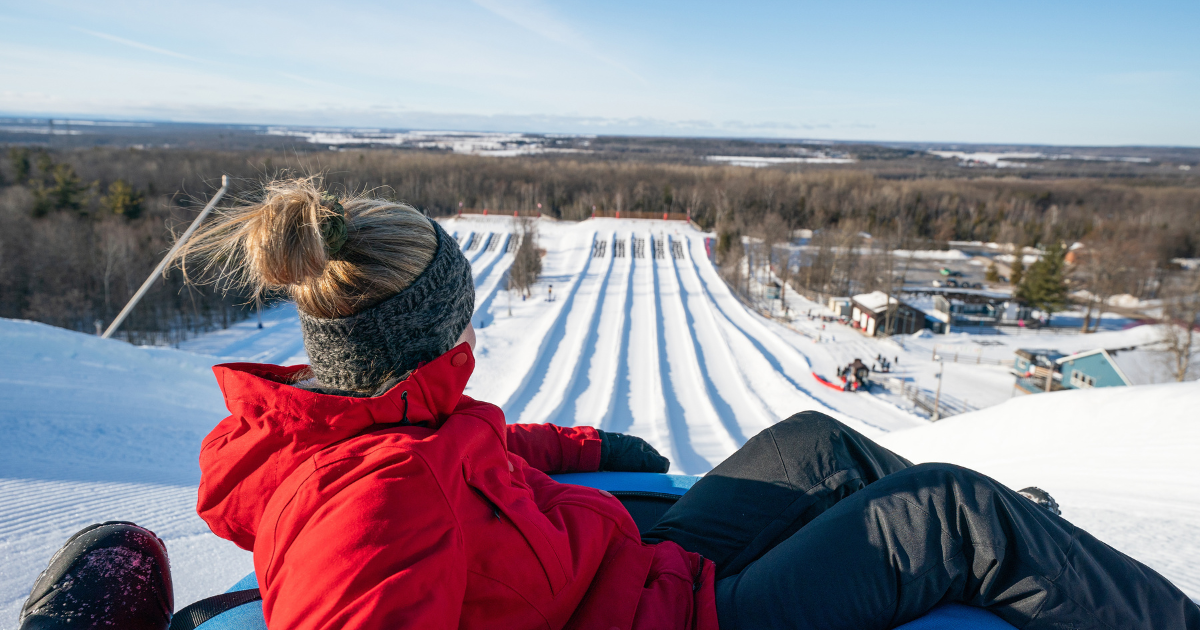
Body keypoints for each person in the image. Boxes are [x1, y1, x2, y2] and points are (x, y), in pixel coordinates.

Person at [19, 179, 1200, 630]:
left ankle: (1034, 568)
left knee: (822, 445)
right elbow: (372, 560)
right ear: (436, 333)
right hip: (674, 623)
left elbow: (467, 458)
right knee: (949, 514)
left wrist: (582, 443)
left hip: (623, 573)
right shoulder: (369, 508)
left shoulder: (357, 414)